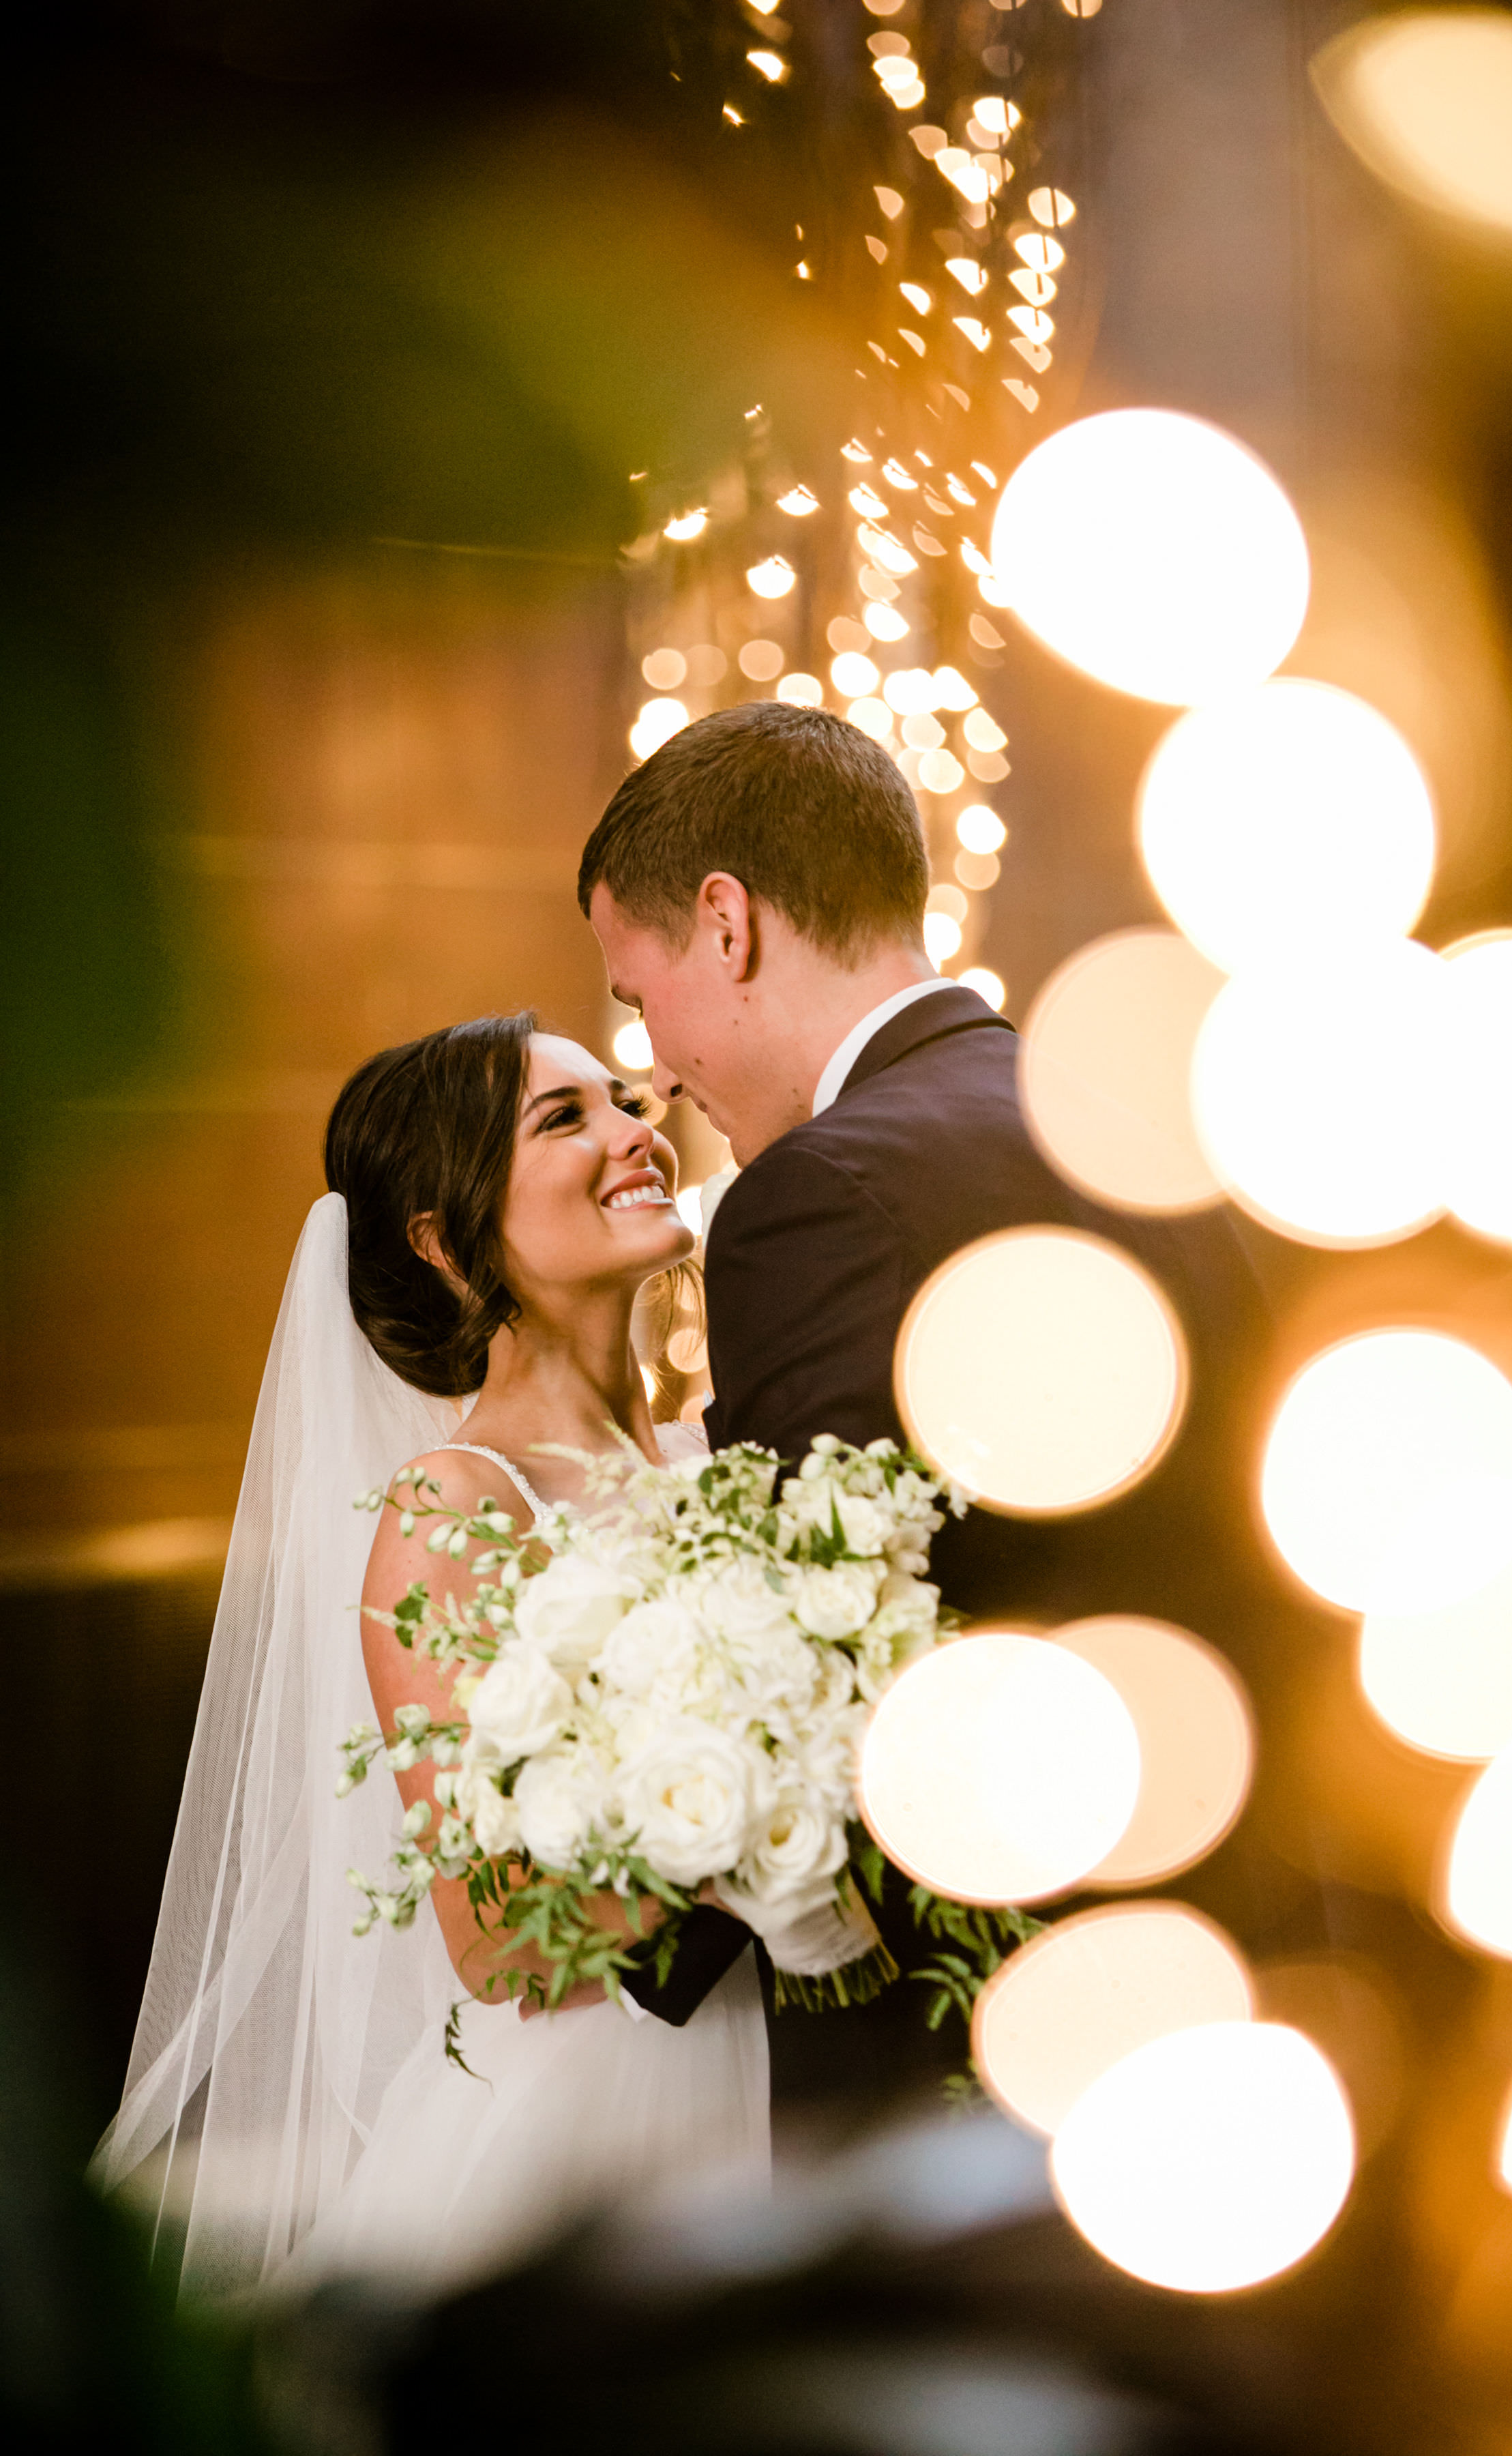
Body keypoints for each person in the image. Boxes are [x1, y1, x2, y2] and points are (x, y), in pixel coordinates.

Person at [580, 699, 1277, 2118]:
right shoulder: (1129, 1126)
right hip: (1228, 1913)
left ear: (728, 924)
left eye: (642, 997)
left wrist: (629, 1951)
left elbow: (819, 1653)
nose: (657, 1066)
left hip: (970, 1999)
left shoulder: (806, 1199)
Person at [93, 1014, 767, 2301]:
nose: (637, 1136)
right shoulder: (454, 1510)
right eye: (563, 1120)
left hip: (781, 2061)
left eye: (624, 1100)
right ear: (444, 1240)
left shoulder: (714, 1455)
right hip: (612, 2116)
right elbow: (496, 1935)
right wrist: (770, 1852)